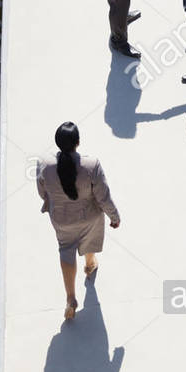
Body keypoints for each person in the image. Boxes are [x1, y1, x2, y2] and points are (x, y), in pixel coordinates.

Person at [36, 122, 121, 321]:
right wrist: (114, 217)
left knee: (66, 251)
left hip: (62, 219)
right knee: (89, 238)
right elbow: (103, 197)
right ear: (78, 143)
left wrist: (50, 203)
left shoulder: (44, 165)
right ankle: (90, 264)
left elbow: (42, 192)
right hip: (89, 216)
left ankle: (70, 298)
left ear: (57, 143)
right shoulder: (92, 165)